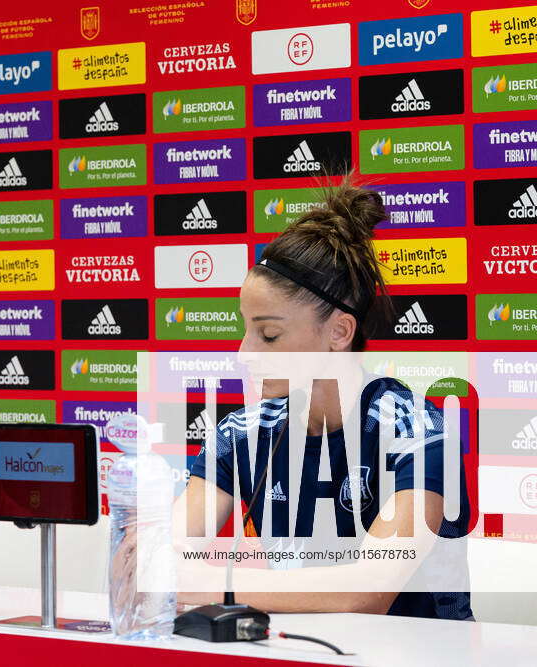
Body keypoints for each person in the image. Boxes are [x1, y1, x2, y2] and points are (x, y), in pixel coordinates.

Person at [174, 178, 472, 619]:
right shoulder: (241, 433)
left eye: (269, 334)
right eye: (245, 329)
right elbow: (168, 558)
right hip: (301, 652)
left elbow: (366, 592)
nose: (244, 354)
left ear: (339, 332)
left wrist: (220, 585)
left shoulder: (416, 431)